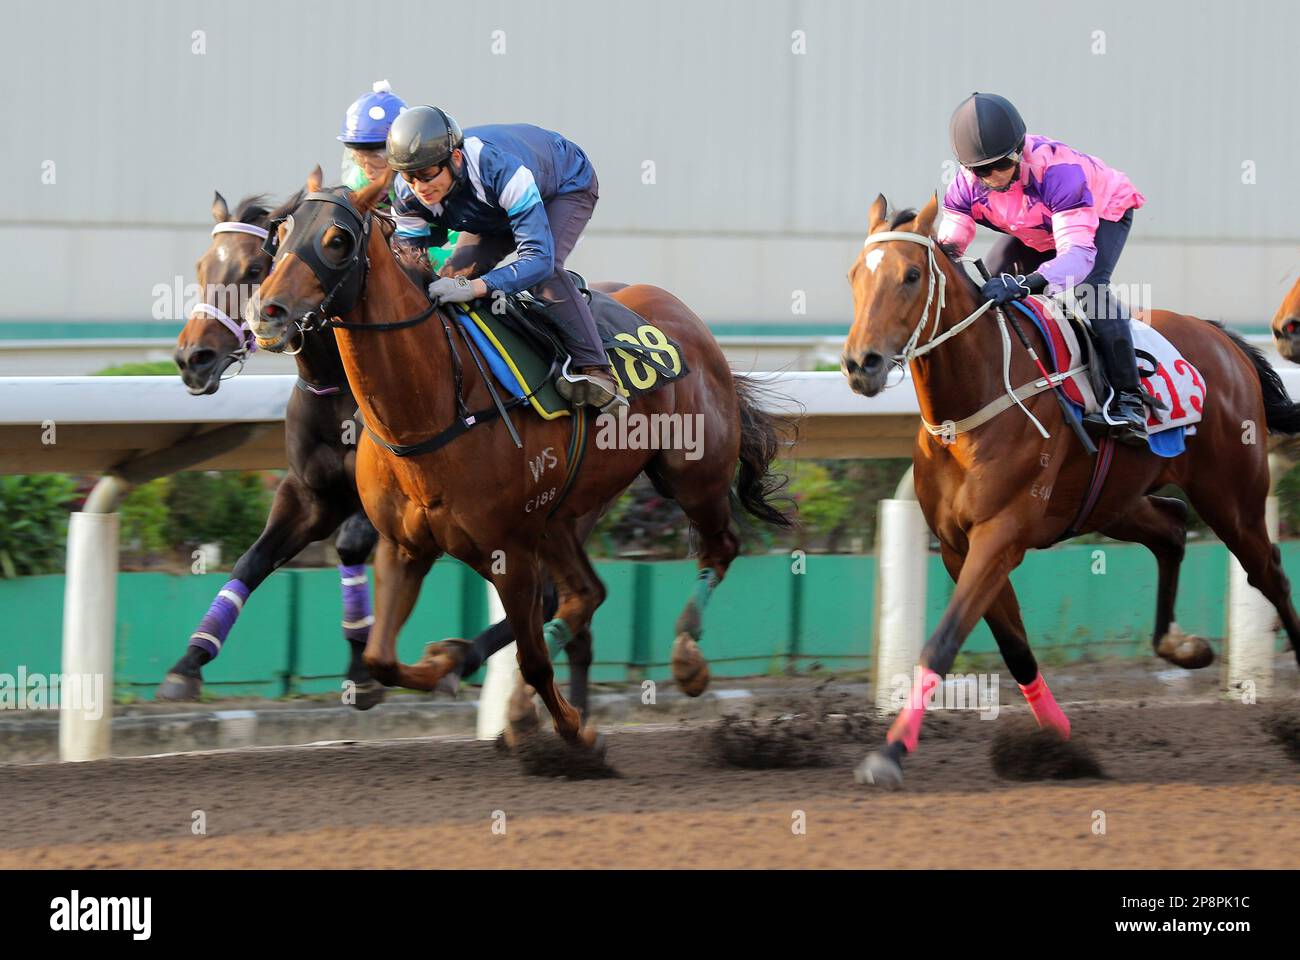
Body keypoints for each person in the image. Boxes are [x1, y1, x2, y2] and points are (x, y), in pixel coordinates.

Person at [937, 92, 1151, 440]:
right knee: (986, 287)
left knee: (1089, 291)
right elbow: (950, 248)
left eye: (1001, 164)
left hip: (1099, 211)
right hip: (1035, 224)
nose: (992, 177)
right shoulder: (963, 186)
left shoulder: (1058, 172)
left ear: (1019, 150)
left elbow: (1078, 257)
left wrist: (1027, 283)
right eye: (980, 170)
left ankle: (1130, 399)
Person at [385, 105, 626, 410]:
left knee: (545, 274)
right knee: (448, 280)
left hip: (562, 187)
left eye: (428, 174)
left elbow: (537, 259)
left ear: (455, 159)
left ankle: (596, 370)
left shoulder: (500, 169)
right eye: (409, 177)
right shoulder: (406, 195)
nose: (420, 188)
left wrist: (476, 287)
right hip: (491, 212)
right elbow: (410, 268)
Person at [337, 80, 459, 273]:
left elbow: (463, 249)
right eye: (359, 158)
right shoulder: (357, 181)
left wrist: (423, 258)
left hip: (441, 240)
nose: (368, 170)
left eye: (377, 158)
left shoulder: (436, 180)